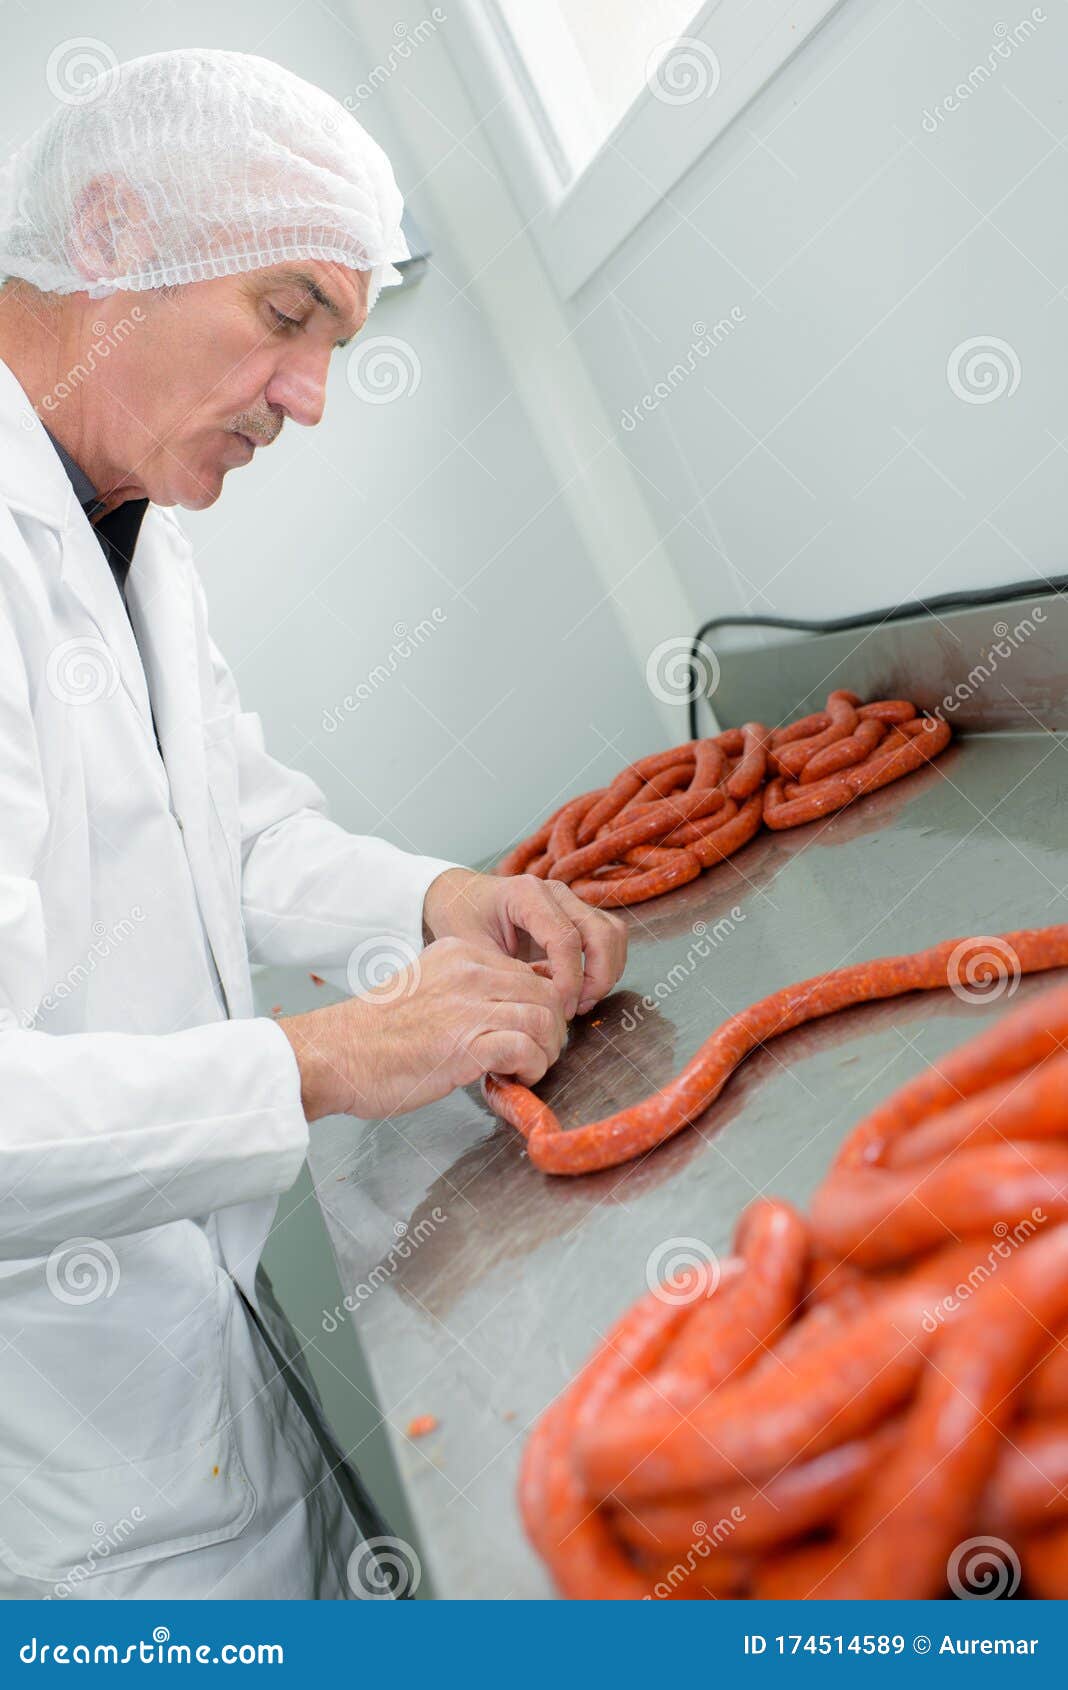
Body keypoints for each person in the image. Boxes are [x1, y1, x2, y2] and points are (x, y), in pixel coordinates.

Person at [0, 47, 626, 1600]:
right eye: (288, 317)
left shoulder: (123, 511)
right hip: (68, 1514)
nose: (312, 398)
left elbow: (234, 824)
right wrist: (326, 1057)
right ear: (113, 236)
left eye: (336, 340)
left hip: (203, 1385)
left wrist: (437, 901)